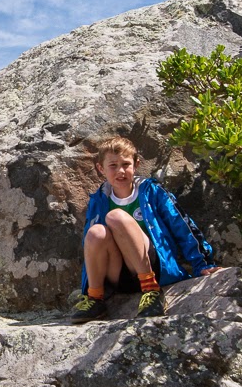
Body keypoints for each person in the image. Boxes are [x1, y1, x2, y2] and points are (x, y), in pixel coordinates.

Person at [70, 135, 217, 322]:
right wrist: (87, 286)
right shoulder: (99, 200)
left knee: (116, 217)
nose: (120, 171)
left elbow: (182, 225)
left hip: (151, 266)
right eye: (113, 166)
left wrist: (202, 264)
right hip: (118, 275)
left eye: (126, 164)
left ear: (136, 164)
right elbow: (91, 246)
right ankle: (95, 298)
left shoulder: (151, 192)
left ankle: (151, 291)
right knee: (96, 232)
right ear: (101, 168)